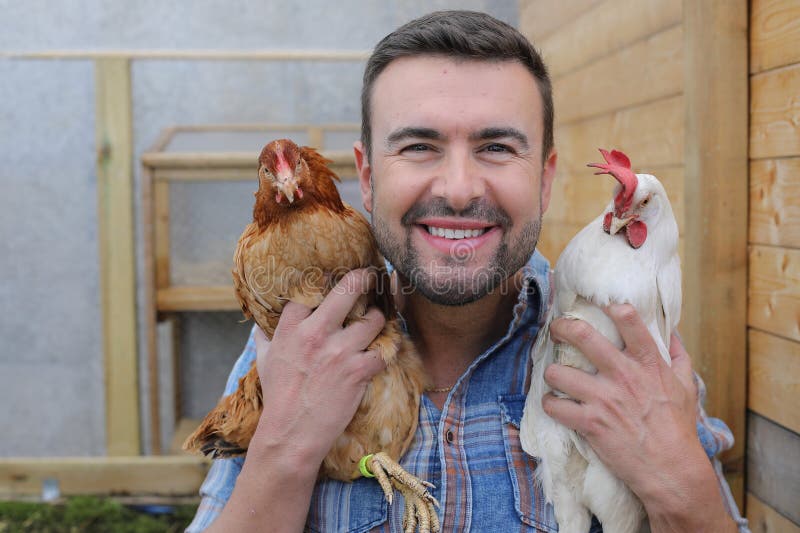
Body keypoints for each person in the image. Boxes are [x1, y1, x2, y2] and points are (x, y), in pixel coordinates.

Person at [186, 10, 749, 533]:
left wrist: (682, 485)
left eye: (497, 147)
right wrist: (283, 447)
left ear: (545, 179)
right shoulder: (301, 345)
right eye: (419, 146)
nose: (458, 189)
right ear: (367, 175)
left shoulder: (626, 356)